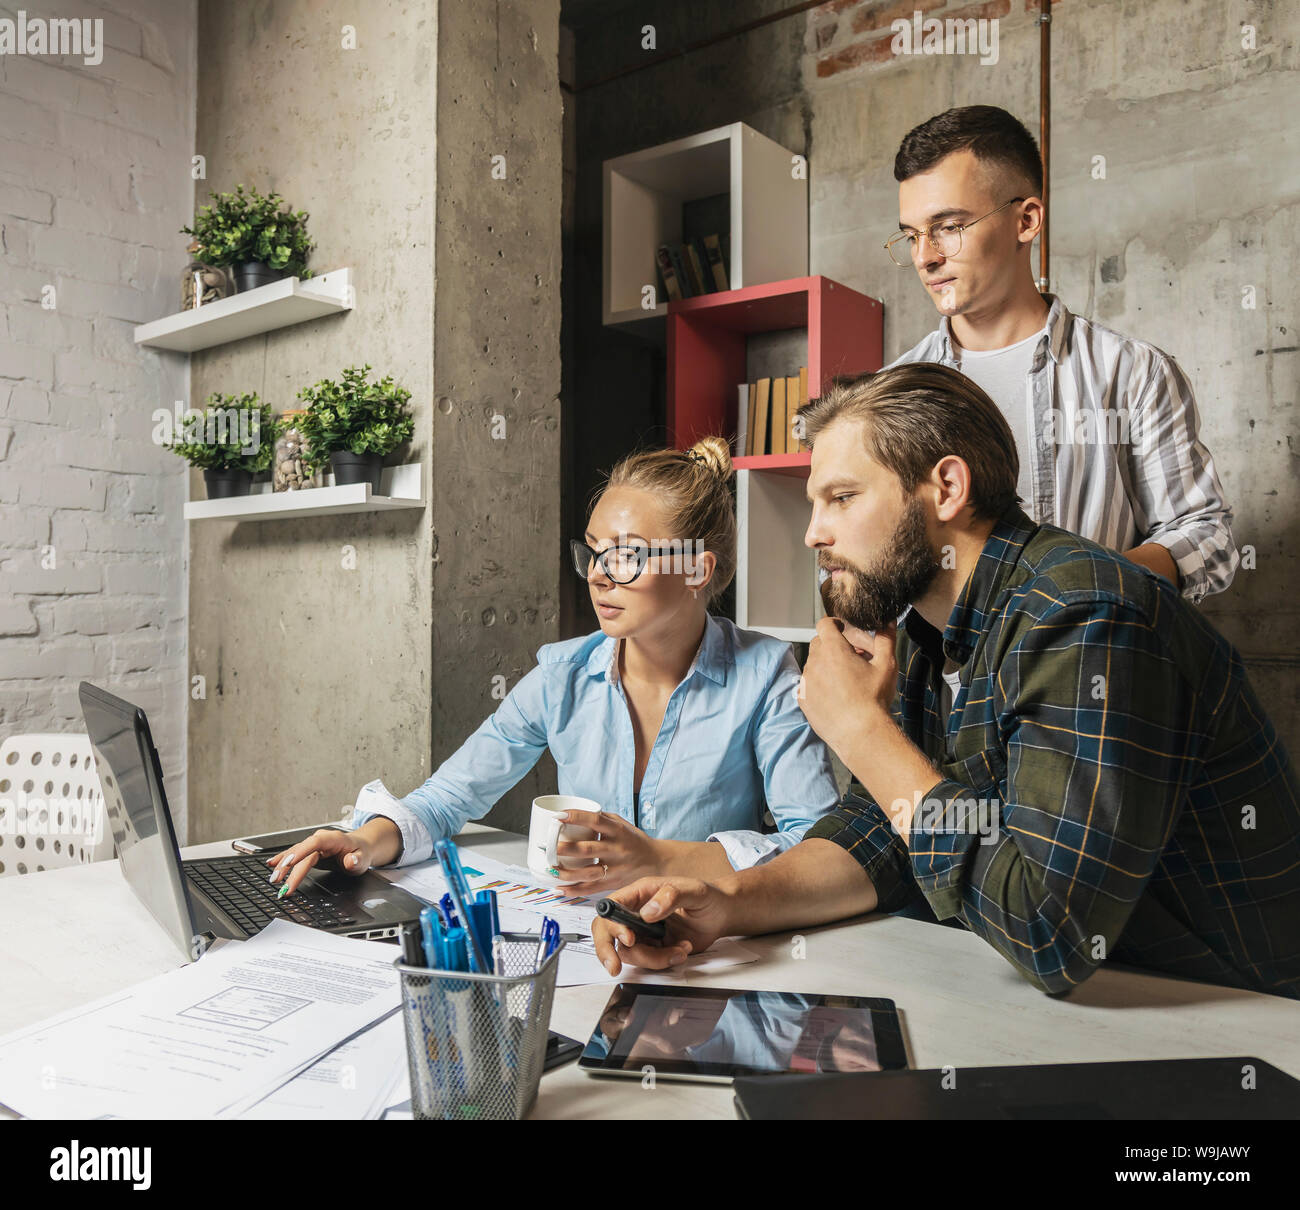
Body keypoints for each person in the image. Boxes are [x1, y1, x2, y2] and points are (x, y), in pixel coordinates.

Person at [592, 365, 1300, 1000]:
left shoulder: (1087, 617)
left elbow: (1050, 929)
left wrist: (861, 731)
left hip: (1238, 1024)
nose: (813, 533)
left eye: (841, 497)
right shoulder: (929, 631)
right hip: (1095, 1010)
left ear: (947, 488)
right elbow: (882, 835)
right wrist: (730, 902)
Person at [267, 436, 841, 897]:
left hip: (715, 946)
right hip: (583, 936)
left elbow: (818, 847)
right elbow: (449, 798)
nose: (598, 575)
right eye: (593, 553)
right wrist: (365, 841)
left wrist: (661, 858)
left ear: (697, 569)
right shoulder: (562, 673)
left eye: (626, 555)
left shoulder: (767, 675)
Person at [883, 105, 1237, 603]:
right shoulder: (893, 391)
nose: (925, 256)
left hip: (1089, 672)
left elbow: (1206, 536)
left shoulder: (1131, 373)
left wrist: (1078, 588)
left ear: (1026, 220)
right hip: (945, 682)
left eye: (949, 226)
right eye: (913, 234)